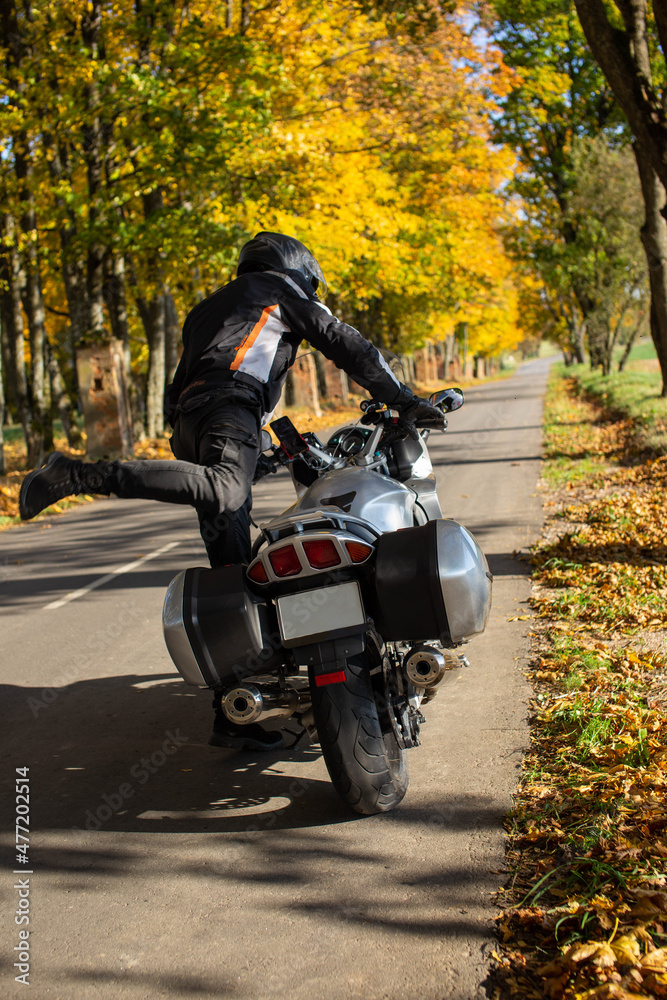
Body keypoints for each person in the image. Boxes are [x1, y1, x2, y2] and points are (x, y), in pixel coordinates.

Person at [19, 232, 444, 750]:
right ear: (298, 269)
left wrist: (254, 456)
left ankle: (234, 709)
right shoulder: (278, 288)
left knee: (232, 572)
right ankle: (79, 474)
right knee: (224, 491)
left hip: (194, 423)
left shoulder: (209, 308)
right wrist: (401, 397)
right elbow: (342, 341)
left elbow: (183, 384)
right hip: (230, 409)